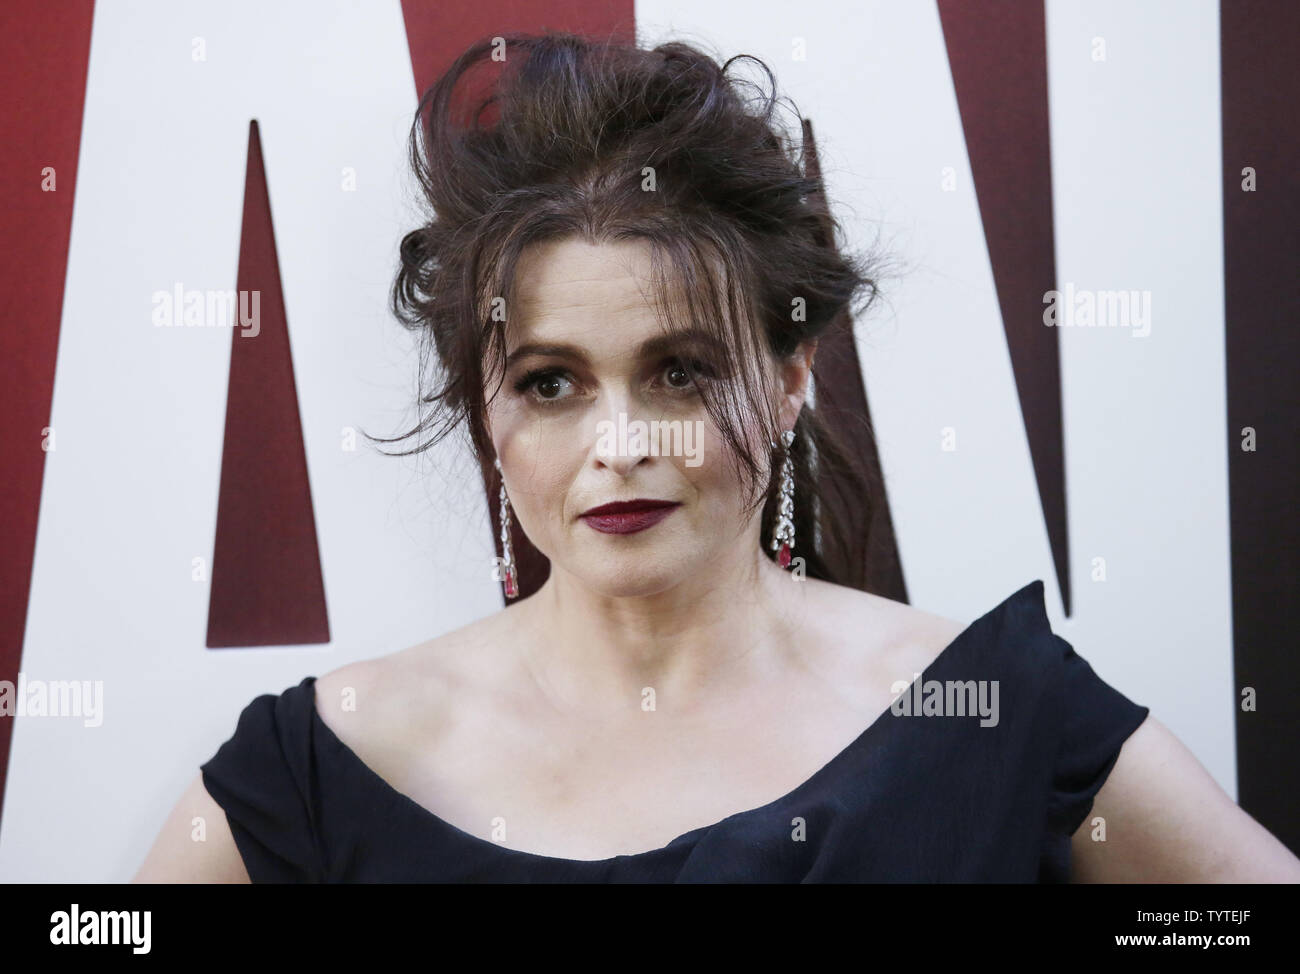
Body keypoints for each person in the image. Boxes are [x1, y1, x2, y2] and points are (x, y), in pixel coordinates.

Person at [134, 31, 1300, 883]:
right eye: (552, 383)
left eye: (680, 371)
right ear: (488, 409)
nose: (620, 444)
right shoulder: (317, 767)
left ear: (791, 377)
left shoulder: (989, 714)